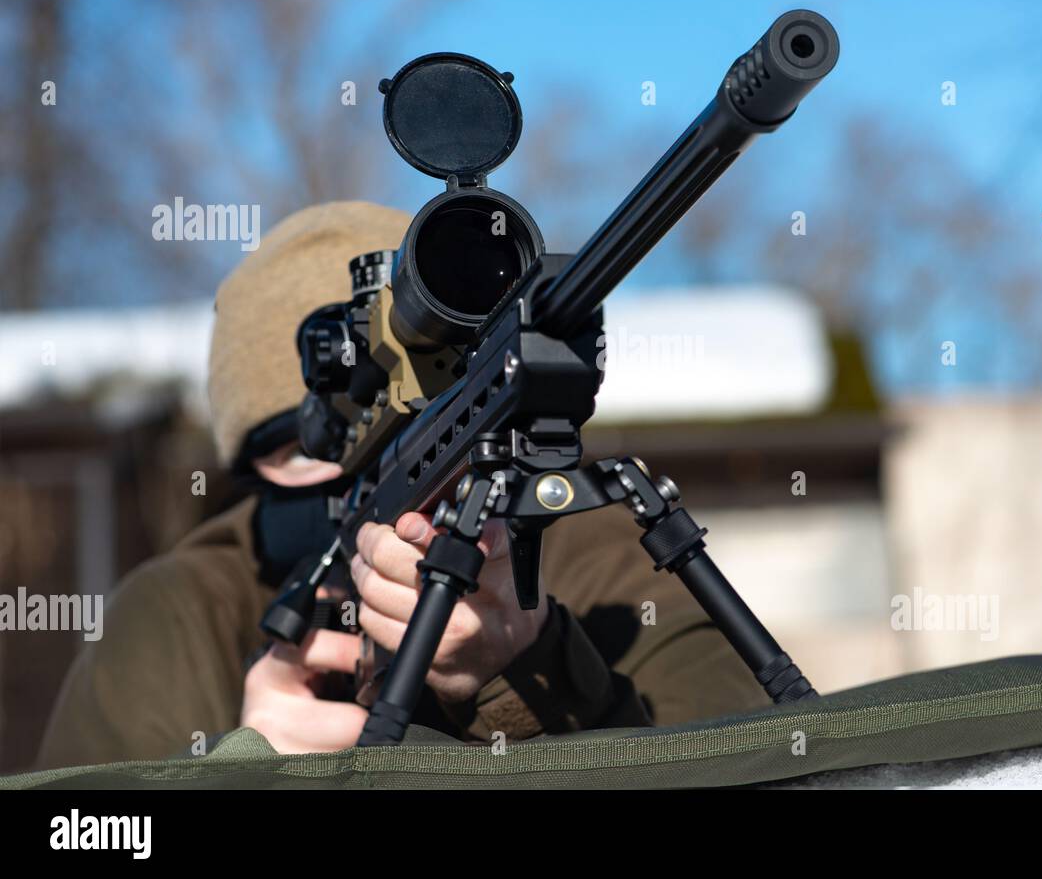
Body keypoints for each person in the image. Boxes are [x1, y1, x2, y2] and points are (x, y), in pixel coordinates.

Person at [35, 201, 766, 769]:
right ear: (246, 474)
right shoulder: (181, 610)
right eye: (308, 447)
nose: (355, 475)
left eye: (405, 429)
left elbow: (757, 761)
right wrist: (240, 774)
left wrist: (526, 673)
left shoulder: (596, 555)